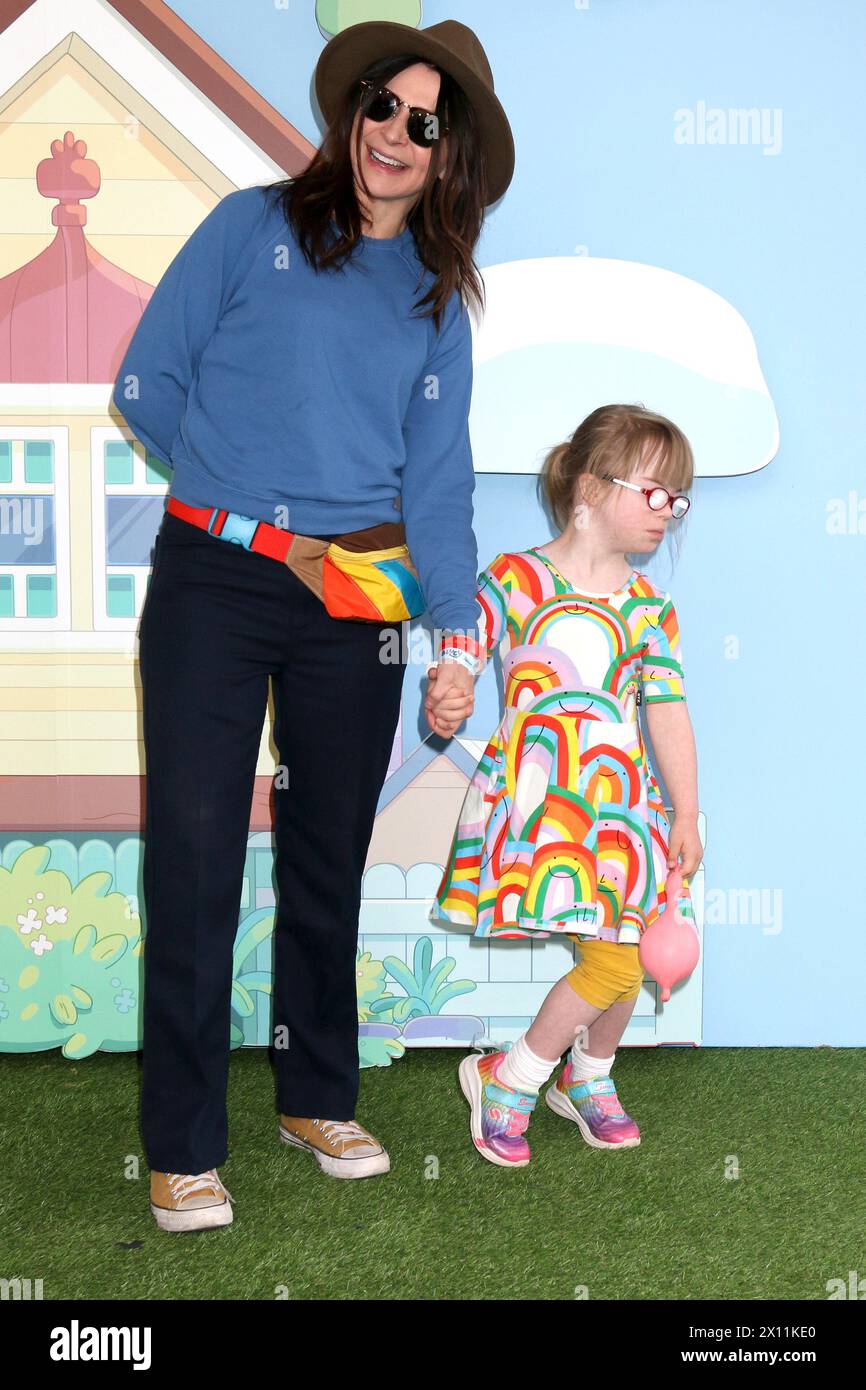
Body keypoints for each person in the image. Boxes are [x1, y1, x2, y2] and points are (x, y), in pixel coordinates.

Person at [112, 18, 515, 1231]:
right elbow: (145, 384)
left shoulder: (437, 306)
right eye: (380, 107)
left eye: (424, 122)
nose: (396, 132)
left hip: (359, 599)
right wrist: (236, 510)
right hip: (214, 583)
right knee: (191, 863)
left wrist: (456, 638)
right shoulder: (248, 228)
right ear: (350, 118)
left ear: (448, 155)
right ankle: (181, 1146)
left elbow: (438, 492)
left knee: (327, 852)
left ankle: (315, 1093)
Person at [426, 404, 704, 1167]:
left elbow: (668, 710)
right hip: (543, 798)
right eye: (655, 493)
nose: (668, 513)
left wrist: (687, 809)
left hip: (623, 809)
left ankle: (587, 1074)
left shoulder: (650, 609)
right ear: (589, 487)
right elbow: (463, 645)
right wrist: (448, 684)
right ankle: (507, 1077)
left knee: (625, 949)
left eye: (677, 499)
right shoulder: (517, 579)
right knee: (615, 960)